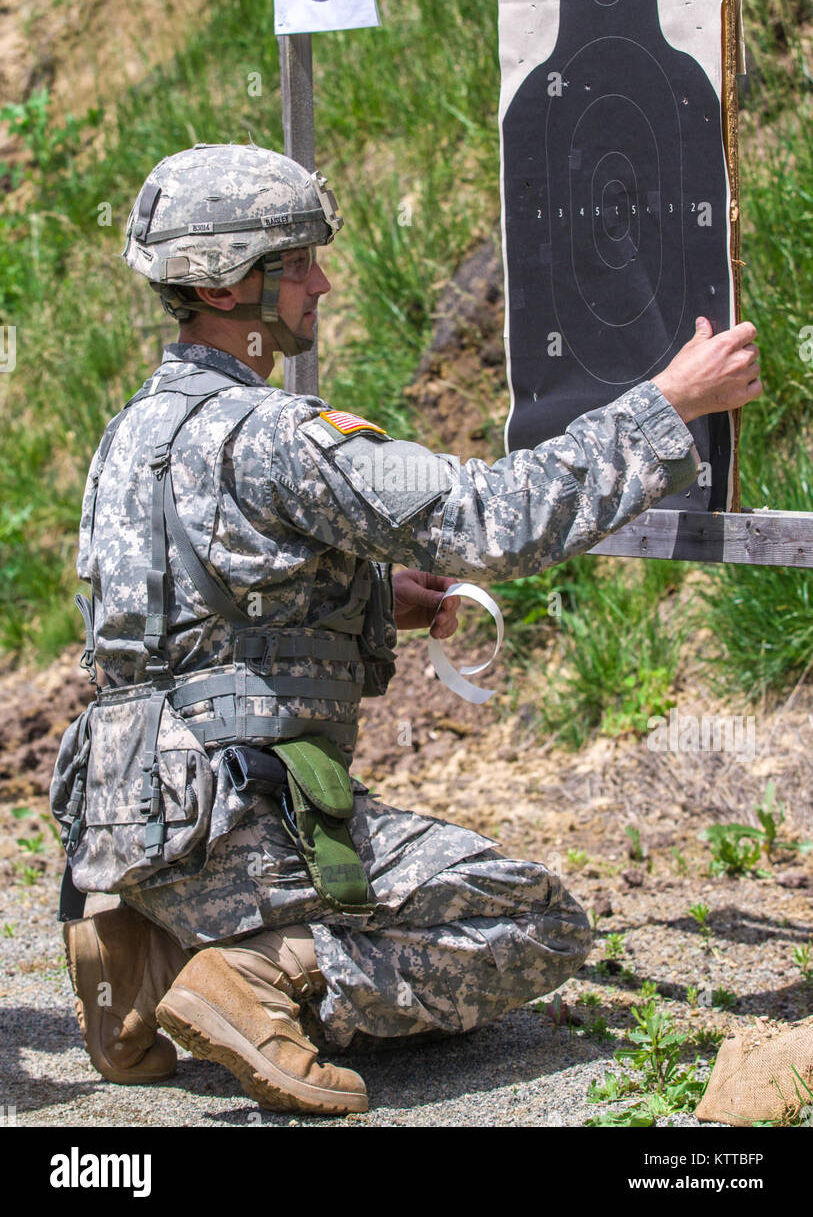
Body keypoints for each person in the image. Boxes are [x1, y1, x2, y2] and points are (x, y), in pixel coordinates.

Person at [53, 142, 761, 1116]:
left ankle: (143, 949)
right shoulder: (275, 433)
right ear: (230, 282)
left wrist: (379, 599)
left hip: (130, 829)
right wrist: (666, 407)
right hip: (247, 824)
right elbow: (489, 519)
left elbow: (185, 617)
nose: (323, 282)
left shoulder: (128, 435)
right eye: (296, 262)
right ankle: (264, 973)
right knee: (539, 917)